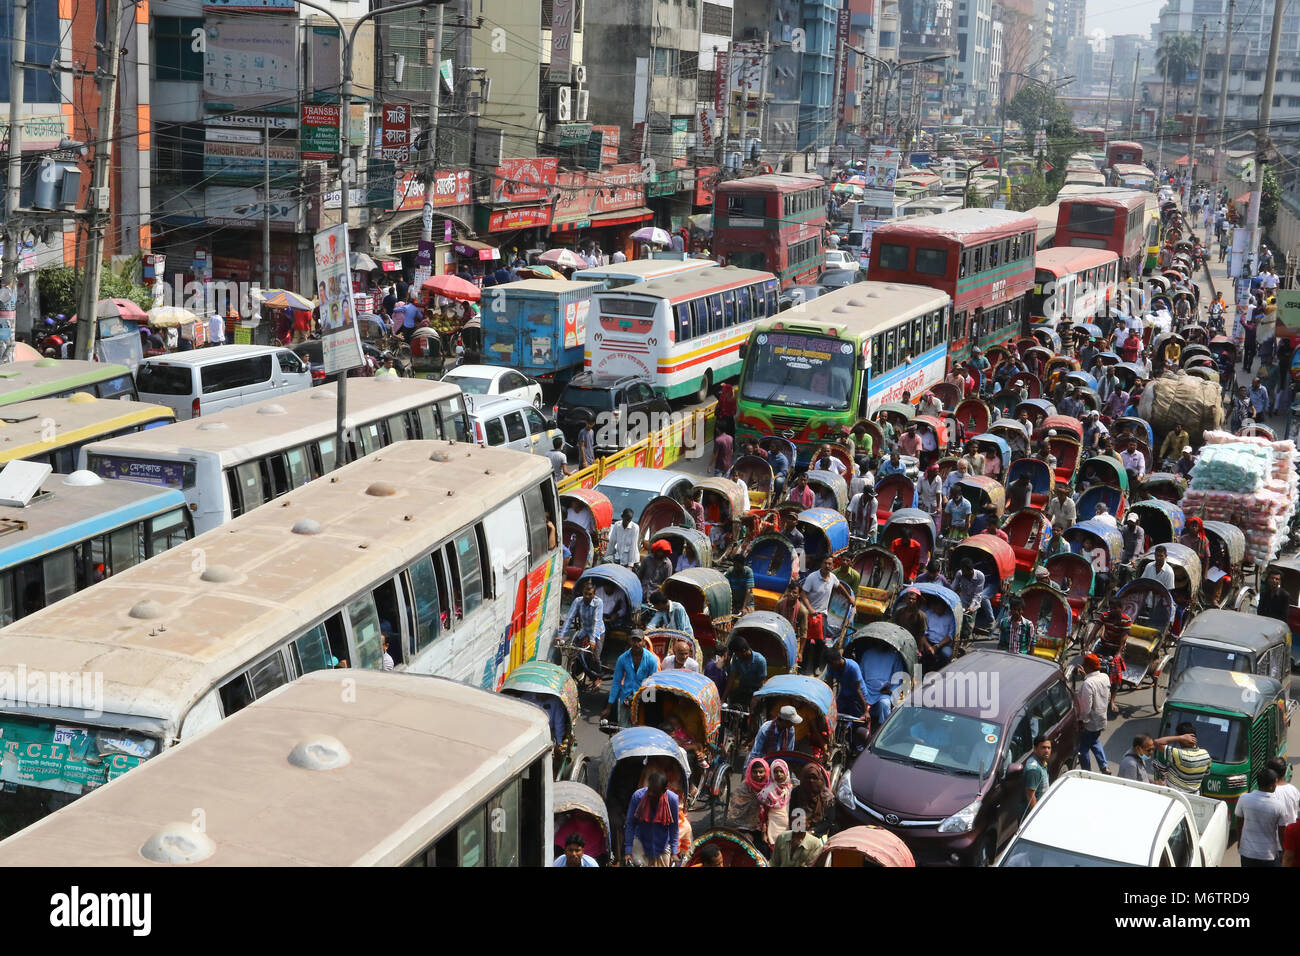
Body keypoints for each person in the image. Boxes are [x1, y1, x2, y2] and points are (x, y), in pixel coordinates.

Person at [801, 556, 853, 670]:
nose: (827, 566)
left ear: (833, 566)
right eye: (825, 563)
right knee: (808, 641)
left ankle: (817, 666)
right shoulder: (812, 577)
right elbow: (803, 594)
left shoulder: (832, 578)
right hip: (808, 613)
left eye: (830, 564)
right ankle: (803, 666)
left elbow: (839, 586)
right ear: (821, 564)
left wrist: (850, 598)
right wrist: (810, 608)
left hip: (821, 614)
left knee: (821, 641)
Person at [623, 772, 680, 867]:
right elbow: (630, 824)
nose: (650, 794)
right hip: (641, 840)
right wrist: (628, 850)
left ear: (664, 791)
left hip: (662, 844)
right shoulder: (638, 796)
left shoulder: (672, 799)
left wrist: (674, 852)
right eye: (649, 789)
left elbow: (674, 827)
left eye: (655, 792)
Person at [1235, 769, 1290, 867]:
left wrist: (1240, 842)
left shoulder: (1244, 798)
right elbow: (1282, 833)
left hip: (1247, 853)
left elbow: (1239, 824)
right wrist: (1284, 852)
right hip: (1268, 856)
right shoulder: (1279, 806)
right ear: (1272, 785)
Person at [603, 629, 657, 726]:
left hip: (642, 699)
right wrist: (608, 707)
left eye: (638, 641)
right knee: (623, 730)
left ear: (643, 641)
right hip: (625, 698)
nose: (636, 644)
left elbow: (652, 683)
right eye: (633, 640)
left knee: (640, 730)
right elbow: (616, 682)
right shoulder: (622, 658)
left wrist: (649, 707)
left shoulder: (651, 660)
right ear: (629, 641)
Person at [560, 579, 605, 681]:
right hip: (584, 630)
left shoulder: (598, 603)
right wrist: (561, 635)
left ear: (594, 595)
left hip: (598, 632)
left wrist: (593, 640)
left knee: (595, 656)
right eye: (585, 594)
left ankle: (598, 678)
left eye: (590, 594)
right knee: (573, 650)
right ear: (582, 593)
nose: (587, 597)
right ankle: (576, 671)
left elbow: (596, 622)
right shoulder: (578, 601)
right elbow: (569, 618)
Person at [1074, 653, 1111, 773]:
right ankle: (1104, 765)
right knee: (1094, 741)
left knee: (1083, 748)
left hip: (1090, 723)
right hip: (1101, 720)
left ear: (1088, 667)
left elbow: (1086, 708)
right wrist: (1086, 676)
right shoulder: (1105, 677)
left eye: (1085, 665)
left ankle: (1086, 772)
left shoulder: (1088, 684)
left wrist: (1082, 721)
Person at [1154, 722, 1211, 795]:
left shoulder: (1178, 754)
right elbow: (1206, 773)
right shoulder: (1206, 754)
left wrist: (1180, 738)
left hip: (1174, 796)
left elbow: (1157, 742)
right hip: (1194, 796)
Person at [824, 647, 869, 721]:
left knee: (857, 721)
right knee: (835, 716)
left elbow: (858, 689)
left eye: (831, 663)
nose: (830, 666)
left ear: (837, 660)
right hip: (845, 694)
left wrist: (866, 711)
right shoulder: (831, 666)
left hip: (858, 696)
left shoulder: (853, 667)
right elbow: (830, 687)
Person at [723, 635, 767, 708]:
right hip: (742, 689)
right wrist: (723, 698)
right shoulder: (736, 658)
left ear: (744, 650)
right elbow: (731, 679)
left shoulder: (760, 660)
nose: (736, 656)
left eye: (737, 653)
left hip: (755, 691)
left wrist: (755, 699)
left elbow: (762, 684)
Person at [1022, 735, 1052, 820]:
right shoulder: (1034, 770)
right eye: (1043, 747)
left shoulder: (1042, 763)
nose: (1047, 751)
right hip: (1033, 816)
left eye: (1049, 748)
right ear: (1035, 749)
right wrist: (1037, 818)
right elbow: (1030, 796)